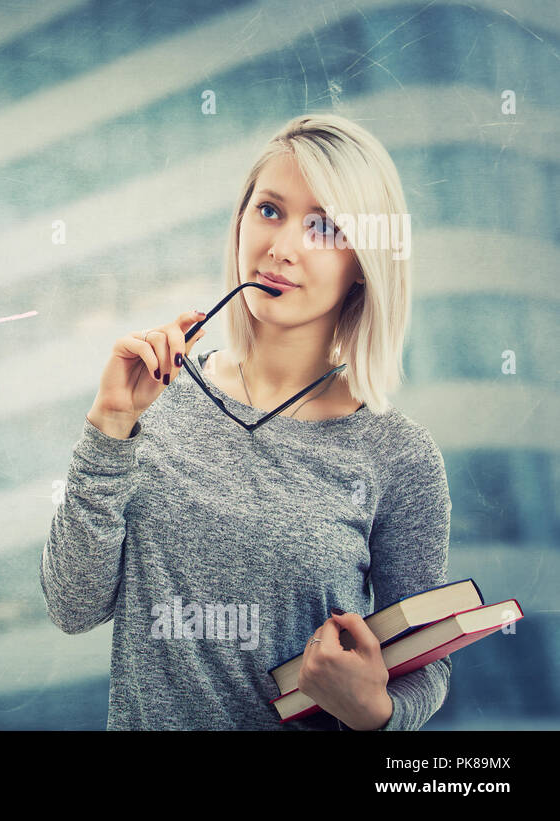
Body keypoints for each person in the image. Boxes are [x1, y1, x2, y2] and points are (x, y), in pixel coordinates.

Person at [41, 114, 452, 730]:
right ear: (239, 222)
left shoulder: (399, 456)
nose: (282, 247)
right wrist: (109, 429)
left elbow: (425, 665)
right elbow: (73, 606)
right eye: (269, 211)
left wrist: (377, 713)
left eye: (324, 227)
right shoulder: (159, 394)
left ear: (364, 261)